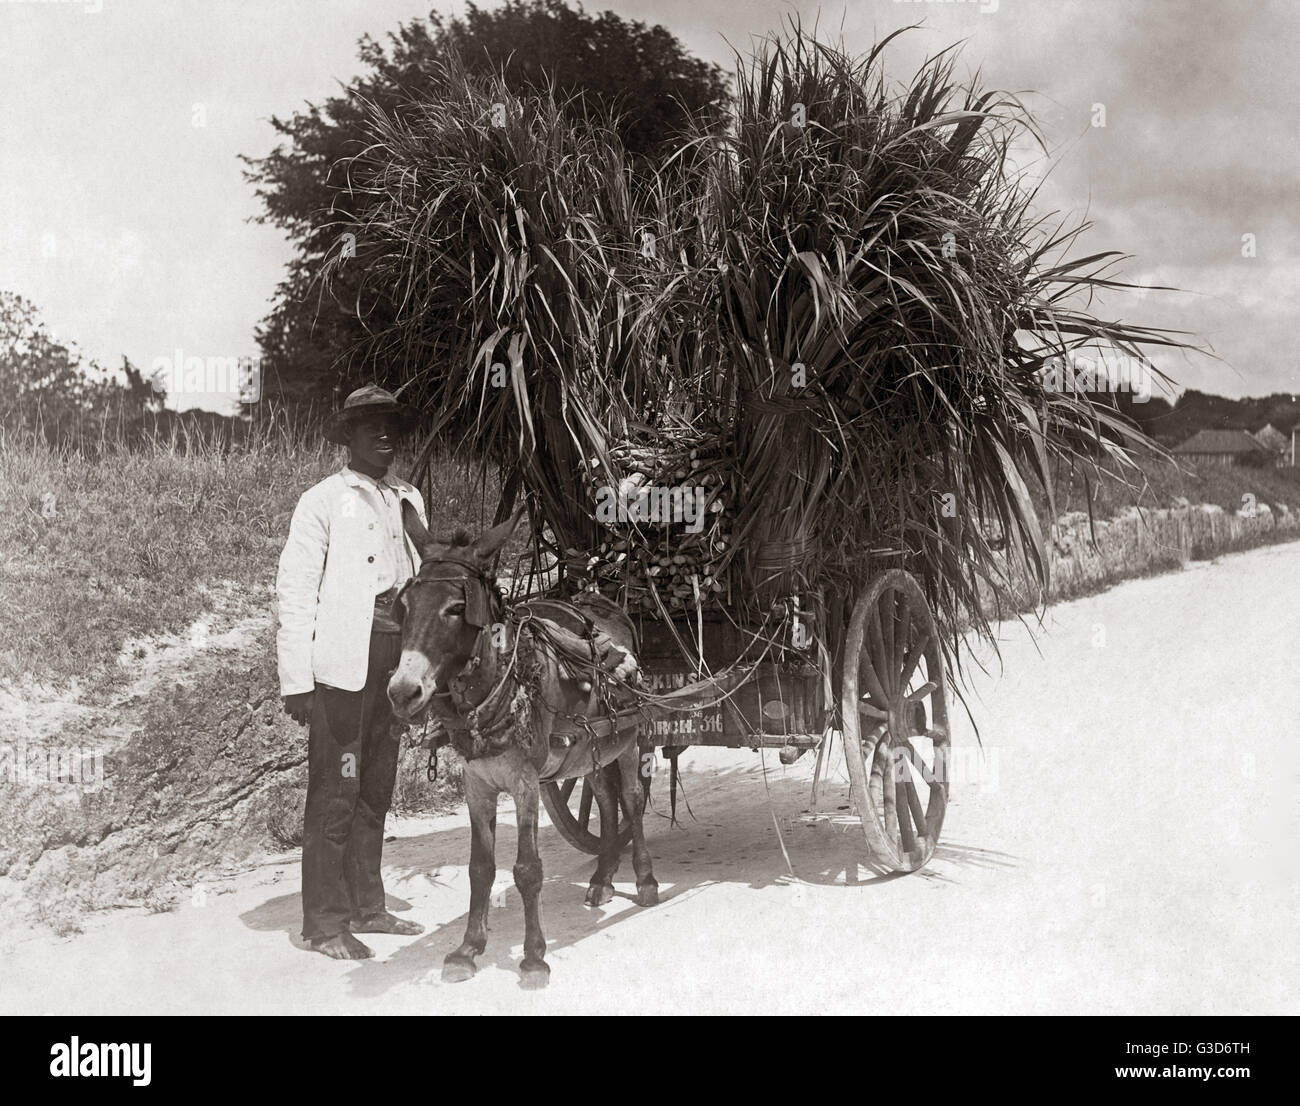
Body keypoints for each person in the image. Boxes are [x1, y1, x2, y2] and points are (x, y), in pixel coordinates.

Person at [276, 385, 428, 960]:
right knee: (336, 790)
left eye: (390, 425)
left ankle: (369, 906)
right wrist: (297, 680)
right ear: (349, 436)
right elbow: (295, 593)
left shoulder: (408, 498)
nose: (384, 436)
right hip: (343, 668)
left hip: (395, 663)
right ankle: (324, 924)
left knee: (375, 787)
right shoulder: (322, 501)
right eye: (370, 427)